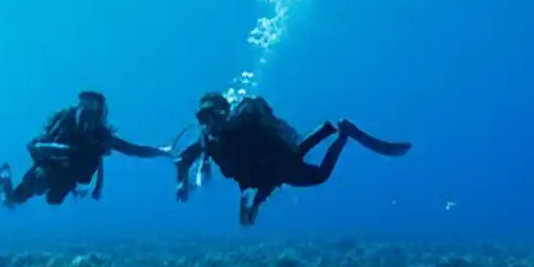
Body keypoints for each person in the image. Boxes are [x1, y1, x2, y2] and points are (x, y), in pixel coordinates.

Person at [174, 92, 411, 225]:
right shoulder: (209, 142)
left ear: (225, 113)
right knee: (314, 173)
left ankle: (338, 132)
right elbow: (183, 160)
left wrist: (255, 203)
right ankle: (336, 132)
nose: (210, 124)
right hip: (272, 170)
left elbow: (270, 170)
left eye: (214, 116)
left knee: (315, 172)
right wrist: (181, 183)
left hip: (282, 160)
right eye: (203, 118)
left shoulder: (244, 128)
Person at [0, 91, 172, 207]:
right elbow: (37, 145)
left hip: (69, 177)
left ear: (99, 110)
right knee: (17, 198)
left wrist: (161, 151)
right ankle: (4, 180)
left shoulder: (101, 135)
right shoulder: (66, 126)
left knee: (53, 200)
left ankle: (4, 186)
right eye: (84, 103)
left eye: (92, 105)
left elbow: (131, 150)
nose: (87, 110)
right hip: (47, 170)